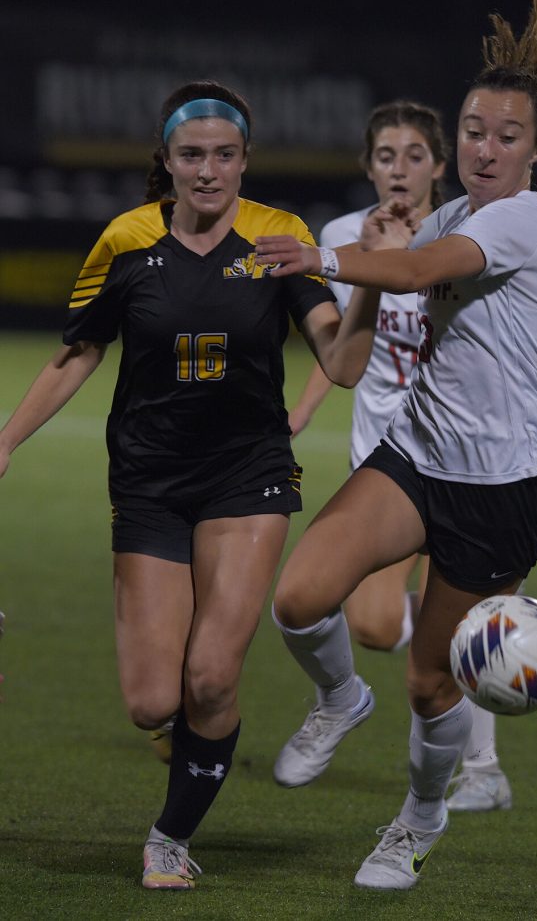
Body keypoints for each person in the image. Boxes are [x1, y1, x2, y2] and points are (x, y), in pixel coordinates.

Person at [0, 80, 390, 891]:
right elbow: (78, 352)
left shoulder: (281, 237)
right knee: (152, 702)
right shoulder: (127, 240)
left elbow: (345, 368)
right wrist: (5, 440)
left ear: (244, 161)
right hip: (148, 482)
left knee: (210, 676)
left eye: (222, 155)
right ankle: (191, 734)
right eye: (191, 156)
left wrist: (372, 281)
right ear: (167, 162)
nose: (207, 171)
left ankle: (169, 837)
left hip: (246, 477)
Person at [255, 0, 537, 890]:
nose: (485, 147)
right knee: (300, 596)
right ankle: (336, 700)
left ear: (534, 150)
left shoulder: (526, 220)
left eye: (505, 135)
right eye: (474, 129)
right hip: (414, 458)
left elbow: (420, 268)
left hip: (498, 491)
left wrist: (325, 256)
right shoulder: (444, 214)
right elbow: (355, 359)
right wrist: (360, 271)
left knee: (433, 687)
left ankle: (417, 819)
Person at [288, 100, 512, 813]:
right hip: (385, 454)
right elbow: (343, 343)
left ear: (437, 167)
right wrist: (299, 411)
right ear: (367, 166)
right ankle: (429, 653)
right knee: (376, 626)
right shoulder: (342, 235)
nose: (399, 169)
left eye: (414, 155)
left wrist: (403, 256)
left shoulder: (463, 234)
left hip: (460, 451)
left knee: (449, 628)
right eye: (385, 156)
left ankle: (482, 768)